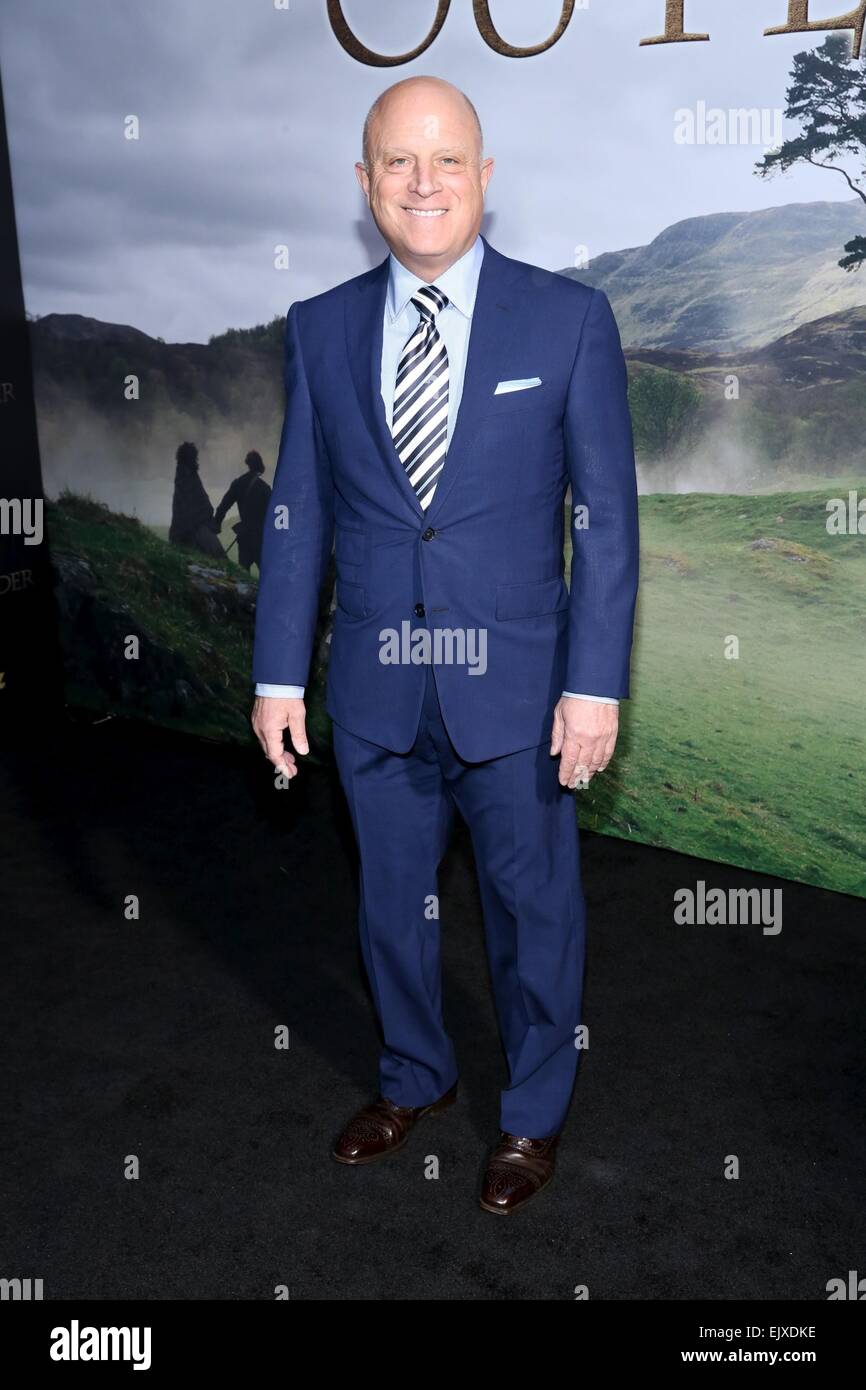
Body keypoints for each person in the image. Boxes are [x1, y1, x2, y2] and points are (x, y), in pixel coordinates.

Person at [250, 76, 639, 1215]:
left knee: (533, 913)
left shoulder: (567, 319)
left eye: (447, 160)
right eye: (397, 162)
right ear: (362, 182)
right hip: (373, 689)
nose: (423, 183)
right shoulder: (318, 328)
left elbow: (603, 522)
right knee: (387, 902)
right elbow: (300, 516)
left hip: (519, 693)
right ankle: (411, 1074)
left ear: (485, 177)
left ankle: (530, 1114)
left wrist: (592, 687)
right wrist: (279, 675)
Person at [214, 450, 271, 572]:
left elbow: (223, 506)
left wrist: (216, 524)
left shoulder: (238, 483)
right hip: (260, 538)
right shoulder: (265, 488)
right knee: (267, 575)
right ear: (260, 467)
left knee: (243, 575)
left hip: (244, 536)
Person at [168, 441, 224, 560]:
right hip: (193, 529)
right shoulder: (186, 475)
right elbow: (193, 504)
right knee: (217, 555)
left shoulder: (185, 474)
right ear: (191, 457)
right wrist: (207, 513)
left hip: (190, 527)